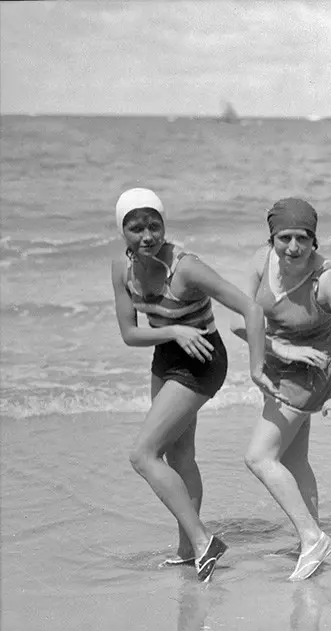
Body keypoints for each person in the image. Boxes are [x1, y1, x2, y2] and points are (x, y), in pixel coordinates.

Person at [110, 187, 267, 582]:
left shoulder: (187, 267)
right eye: (135, 228)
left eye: (154, 225)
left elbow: (250, 308)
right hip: (166, 354)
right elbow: (130, 334)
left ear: (164, 225)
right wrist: (176, 330)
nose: (147, 236)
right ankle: (188, 549)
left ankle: (203, 541)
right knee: (179, 456)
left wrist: (257, 369)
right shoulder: (122, 268)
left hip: (202, 360)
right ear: (122, 232)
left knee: (142, 454)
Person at [231, 197, 331, 581]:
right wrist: (278, 348)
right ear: (271, 238)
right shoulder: (259, 263)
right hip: (276, 370)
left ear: (314, 239)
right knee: (292, 461)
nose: (293, 247)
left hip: (312, 375)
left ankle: (312, 537)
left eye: (303, 238)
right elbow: (239, 321)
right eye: (284, 238)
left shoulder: (325, 279)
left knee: (259, 457)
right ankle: (310, 540)